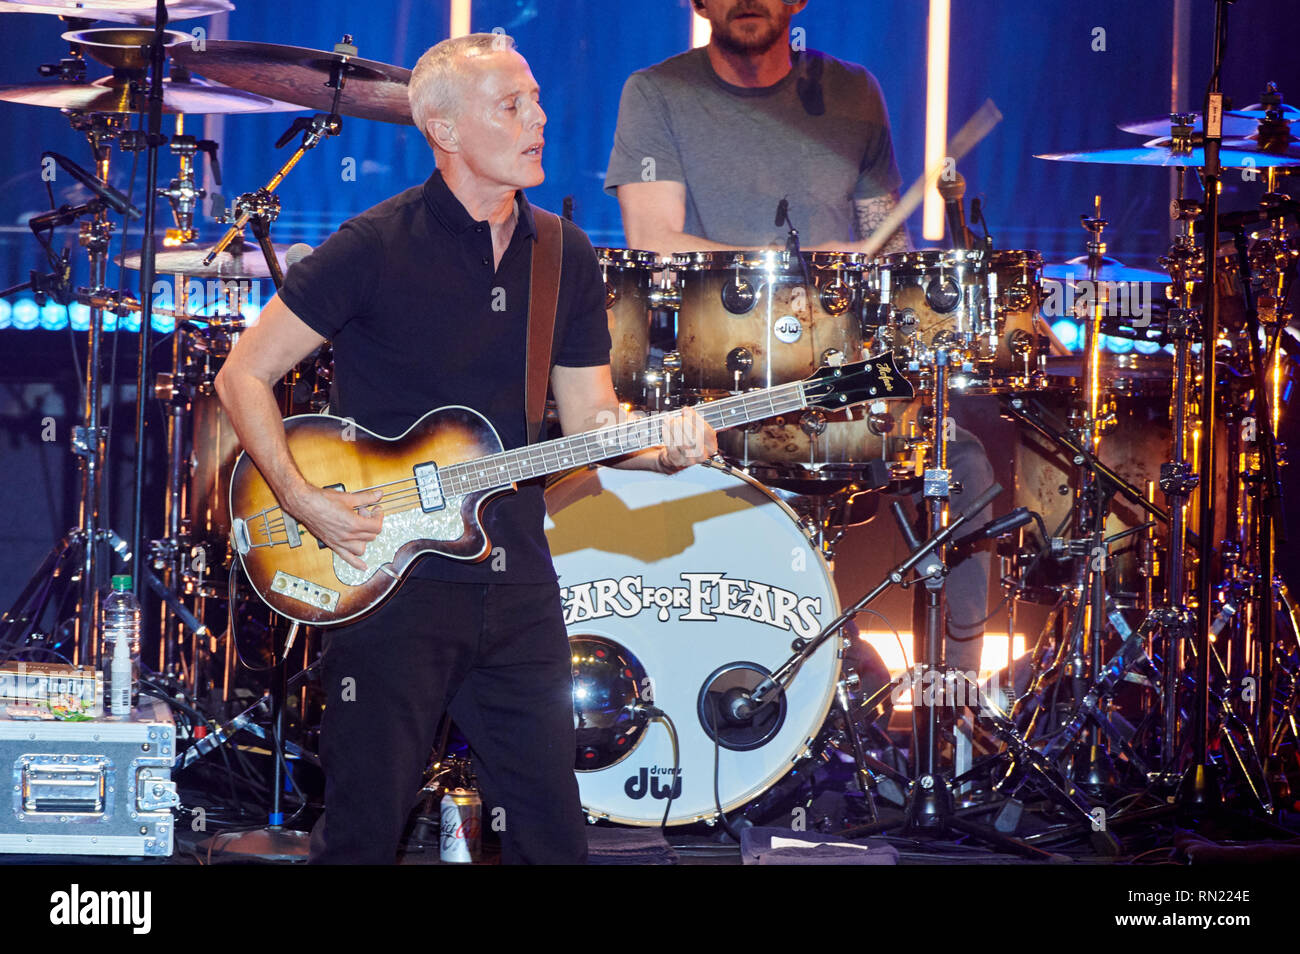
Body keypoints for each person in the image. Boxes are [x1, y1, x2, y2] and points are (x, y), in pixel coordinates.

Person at [215, 33, 716, 865]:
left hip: (517, 580)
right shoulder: (375, 243)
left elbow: (589, 422)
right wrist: (305, 501)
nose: (539, 119)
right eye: (511, 105)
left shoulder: (564, 252)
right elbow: (242, 376)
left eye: (537, 100)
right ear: (444, 131)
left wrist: (660, 448)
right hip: (389, 580)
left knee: (554, 841)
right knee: (363, 836)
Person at [604, 0, 994, 676]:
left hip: (839, 380)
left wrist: (882, 262)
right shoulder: (656, 90)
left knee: (962, 465)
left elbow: (888, 241)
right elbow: (654, 241)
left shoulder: (853, 92)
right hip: (715, 388)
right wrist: (809, 264)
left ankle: (949, 714)